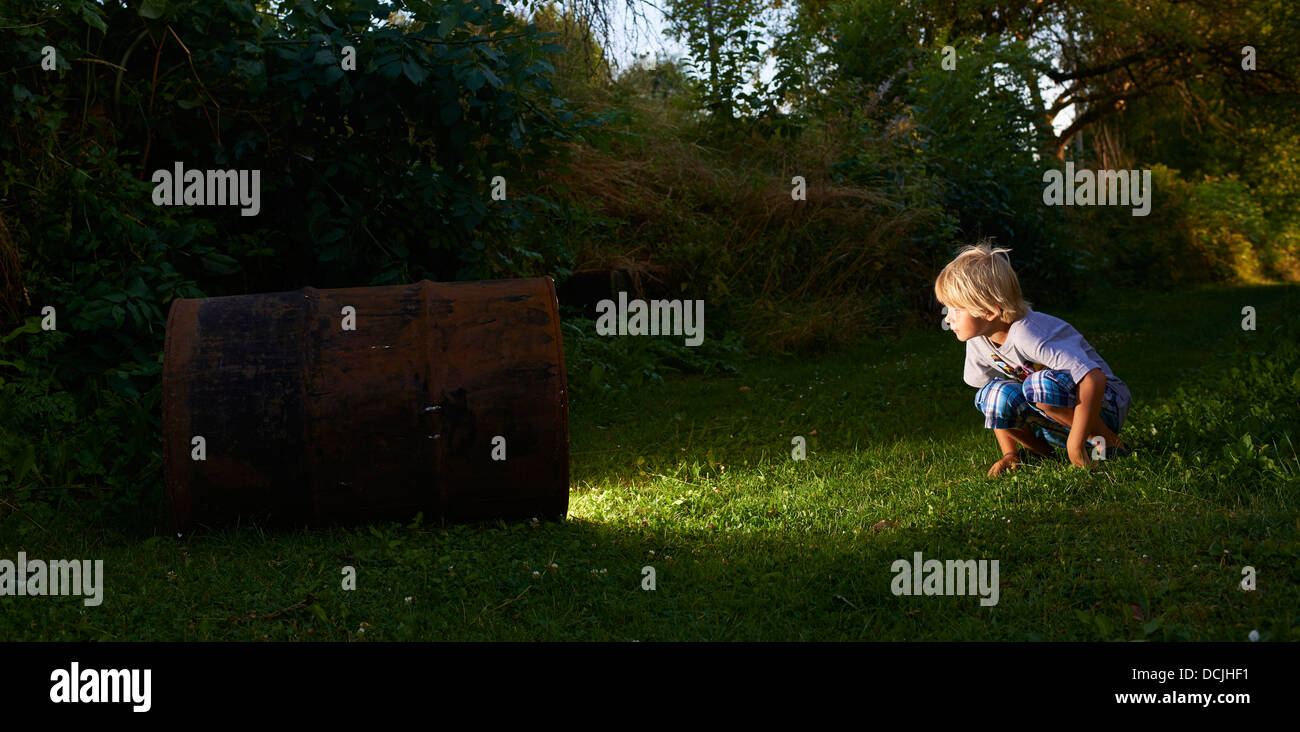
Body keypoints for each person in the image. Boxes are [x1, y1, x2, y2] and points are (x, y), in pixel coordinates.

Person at [935, 241, 1133, 477]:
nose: (948, 319)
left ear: (989, 311)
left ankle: (1107, 444)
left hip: (1103, 404)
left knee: (1039, 385)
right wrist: (1009, 452)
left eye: (956, 310)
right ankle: (1041, 454)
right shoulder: (977, 340)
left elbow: (1094, 379)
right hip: (1053, 416)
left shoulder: (1027, 333)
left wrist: (1075, 444)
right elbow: (995, 409)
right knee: (992, 395)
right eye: (947, 309)